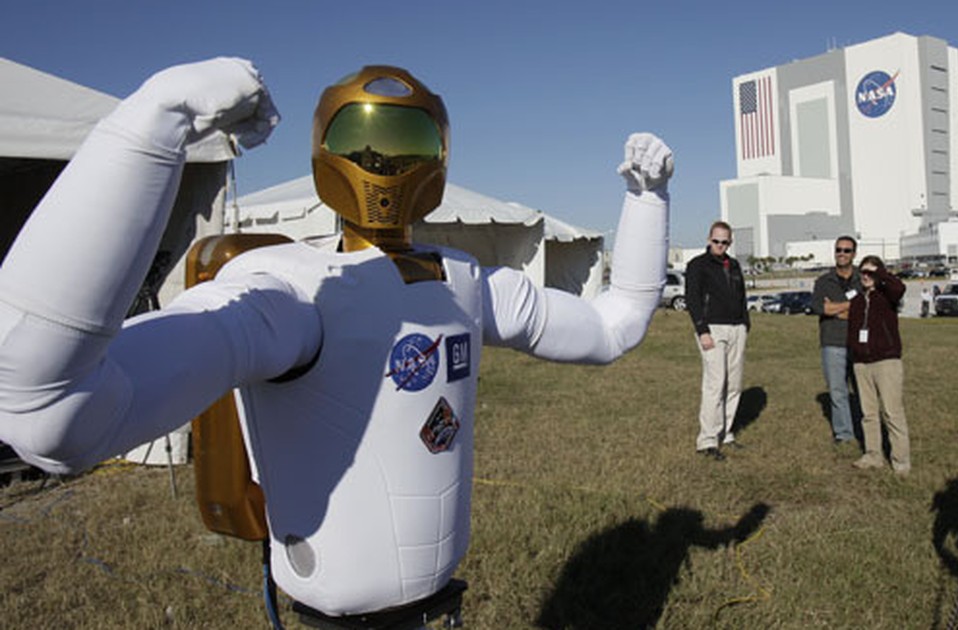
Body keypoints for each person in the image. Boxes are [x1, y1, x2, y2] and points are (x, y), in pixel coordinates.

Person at [0, 58, 674, 617]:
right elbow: (47, 415)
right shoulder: (291, 290)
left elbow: (614, 327)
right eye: (367, 144)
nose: (385, 166)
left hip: (439, 602)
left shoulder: (462, 283)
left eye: (407, 145)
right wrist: (151, 128)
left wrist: (647, 201)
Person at [685, 221, 750, 461]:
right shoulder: (697, 265)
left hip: (737, 329)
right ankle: (707, 440)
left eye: (725, 242)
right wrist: (702, 330)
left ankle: (726, 433)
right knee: (715, 383)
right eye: (716, 241)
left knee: (734, 384)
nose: (720, 246)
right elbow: (692, 298)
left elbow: (742, 296)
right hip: (712, 328)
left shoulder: (733, 265)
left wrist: (745, 323)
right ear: (708, 239)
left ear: (730, 243)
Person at [846, 256, 910, 474]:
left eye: (870, 272)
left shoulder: (887, 295)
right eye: (862, 272)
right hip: (861, 363)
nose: (866, 276)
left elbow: (899, 288)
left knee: (892, 412)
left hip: (886, 361)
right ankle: (873, 454)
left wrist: (880, 275)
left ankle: (900, 460)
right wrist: (854, 351)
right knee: (869, 413)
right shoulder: (856, 300)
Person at [812, 236, 863, 446]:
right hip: (832, 341)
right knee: (838, 391)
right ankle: (844, 434)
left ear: (854, 253)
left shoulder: (863, 278)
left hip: (860, 342)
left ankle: (865, 429)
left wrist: (835, 308)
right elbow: (818, 308)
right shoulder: (824, 281)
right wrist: (850, 307)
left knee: (863, 389)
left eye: (846, 250)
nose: (842, 254)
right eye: (838, 250)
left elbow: (867, 309)